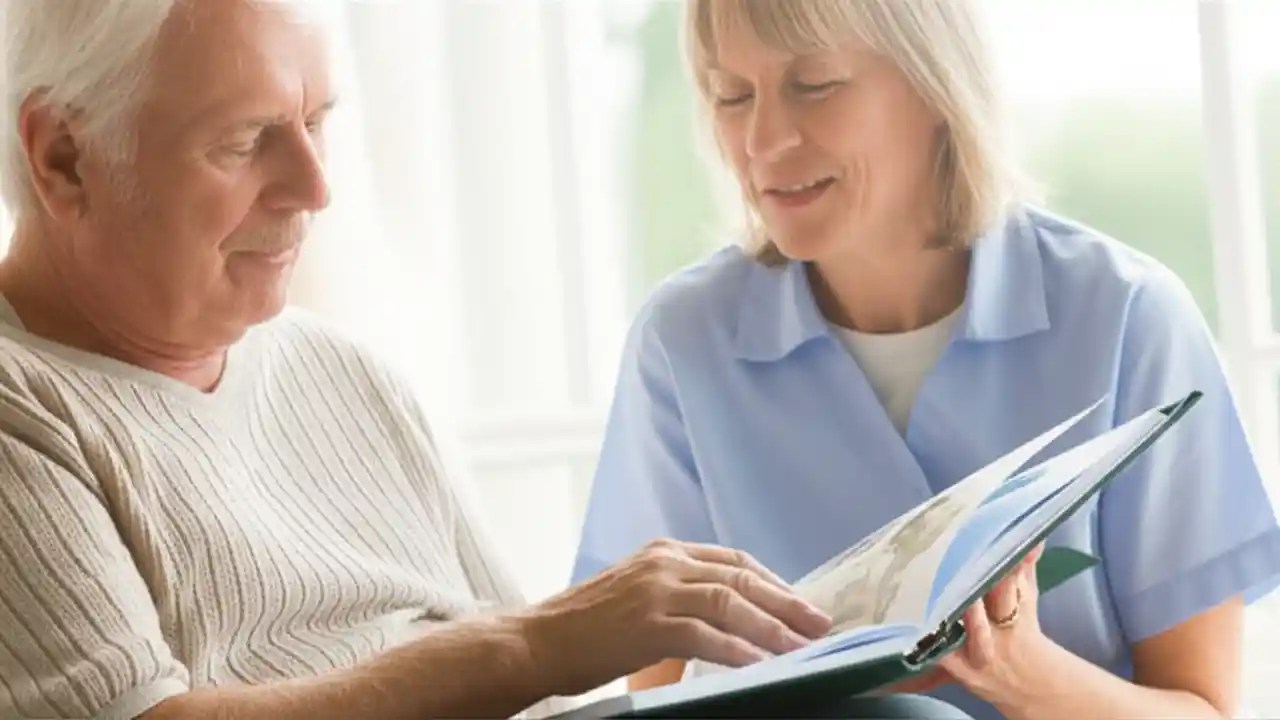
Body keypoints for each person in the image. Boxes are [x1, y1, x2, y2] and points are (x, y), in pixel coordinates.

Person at [0, 1, 898, 718]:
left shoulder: (337, 372)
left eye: (317, 122)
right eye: (243, 142)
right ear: (65, 157)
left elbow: (541, 684)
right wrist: (539, 642)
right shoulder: (26, 409)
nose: (316, 187)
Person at [572, 1, 1280, 718]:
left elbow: (1205, 710)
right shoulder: (682, 343)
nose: (763, 139)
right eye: (731, 96)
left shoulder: (1130, 318)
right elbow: (660, 703)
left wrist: (1020, 671)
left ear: (934, 85)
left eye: (815, 85)